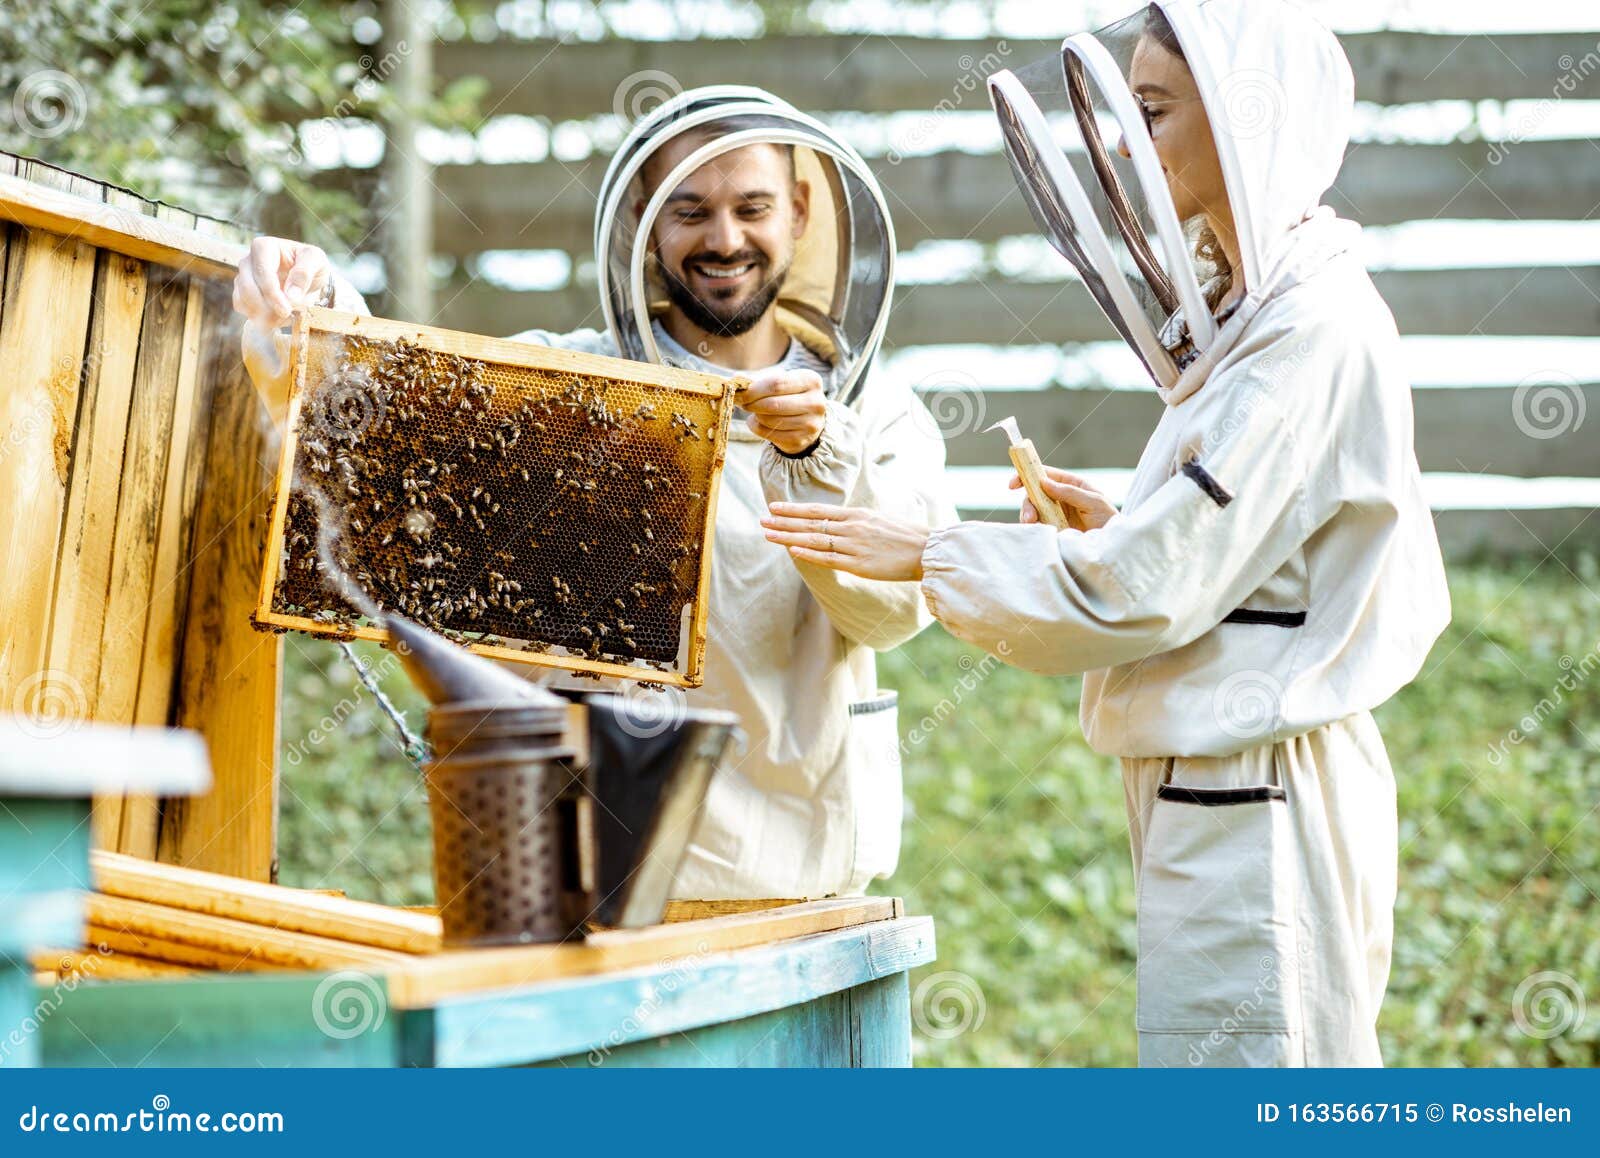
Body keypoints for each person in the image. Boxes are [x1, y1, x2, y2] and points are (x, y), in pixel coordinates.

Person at [761, 0, 1450, 1066]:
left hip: (1260, 796)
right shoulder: (1267, 307)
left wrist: (934, 554)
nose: (1128, 137)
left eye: (1157, 108)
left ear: (1247, 119)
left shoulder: (1312, 329)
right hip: (1223, 783)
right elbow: (1244, 550)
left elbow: (1146, 591)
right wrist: (1125, 520)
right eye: (1127, 106)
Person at [234, 87, 955, 901]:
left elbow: (887, 612)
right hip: (588, 876)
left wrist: (818, 453)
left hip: (796, 886)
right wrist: (315, 302)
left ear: (798, 209)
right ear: (645, 217)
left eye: (752, 207)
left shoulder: (885, 415)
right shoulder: (569, 383)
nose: (725, 239)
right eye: (690, 211)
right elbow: (396, 443)